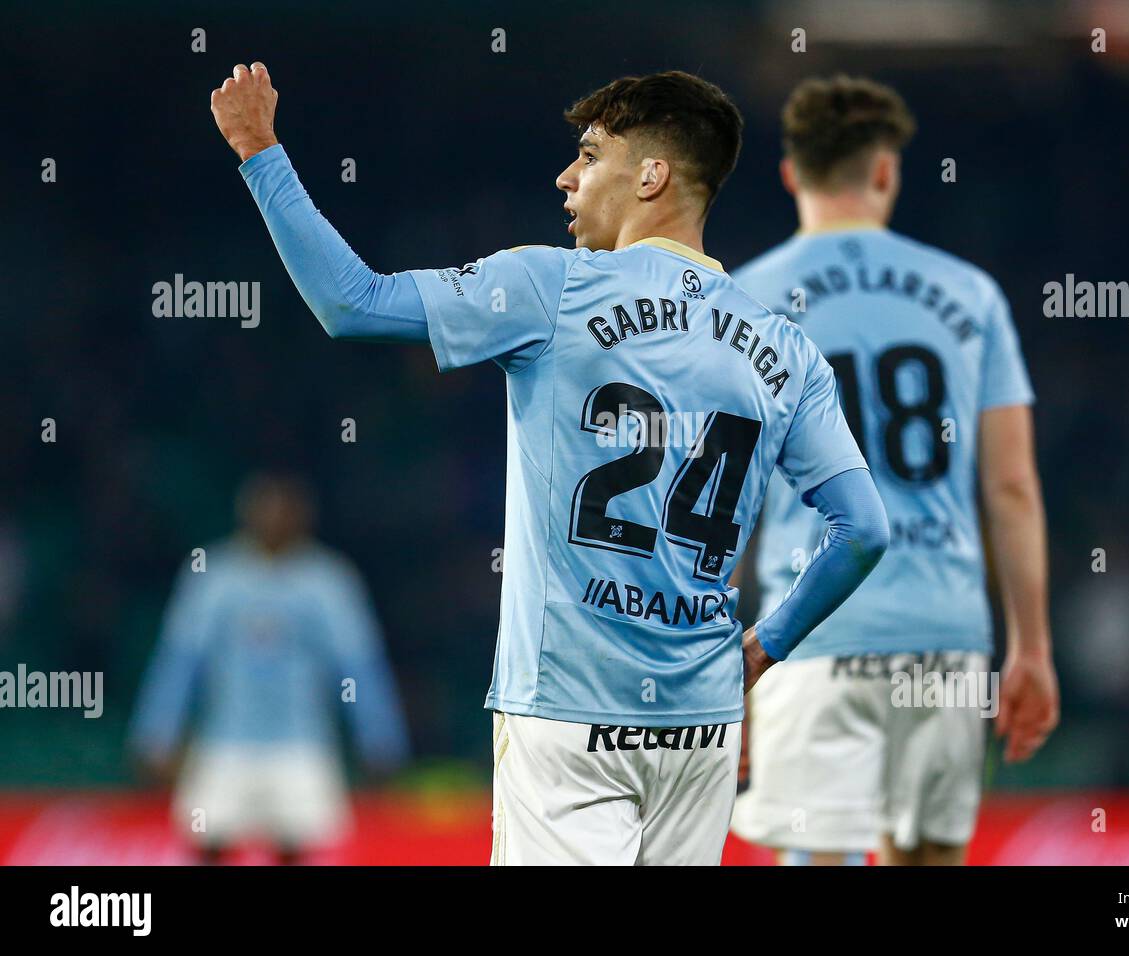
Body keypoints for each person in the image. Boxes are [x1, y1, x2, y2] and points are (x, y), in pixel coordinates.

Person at [208, 63, 889, 865]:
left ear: (652, 175)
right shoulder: (787, 350)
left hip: (567, 711)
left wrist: (260, 151)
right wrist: (763, 649)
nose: (566, 177)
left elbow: (351, 303)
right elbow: (862, 530)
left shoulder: (553, 288)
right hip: (702, 719)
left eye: (590, 155)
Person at [730, 75, 1059, 865]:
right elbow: (1010, 487)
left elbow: (723, 495)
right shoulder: (968, 294)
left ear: (790, 174)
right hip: (943, 635)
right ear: (885, 172)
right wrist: (1032, 649)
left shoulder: (742, 300)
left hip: (809, 632)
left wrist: (717, 660)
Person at [129, 472, 409, 864]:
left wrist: (379, 736)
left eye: (284, 509)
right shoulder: (214, 576)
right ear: (245, 514)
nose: (273, 518)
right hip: (226, 740)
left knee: (299, 847)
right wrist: (157, 732)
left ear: (302, 517)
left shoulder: (328, 581)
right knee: (207, 839)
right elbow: (180, 661)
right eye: (264, 508)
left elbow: (359, 667)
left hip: (302, 741)